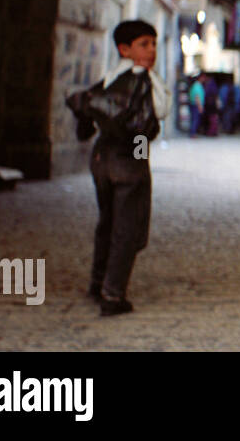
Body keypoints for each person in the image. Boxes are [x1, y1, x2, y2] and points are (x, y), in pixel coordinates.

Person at [66, 19, 170, 316]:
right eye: (143, 44)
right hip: (130, 157)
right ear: (125, 49)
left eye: (153, 43)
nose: (151, 50)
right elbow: (158, 114)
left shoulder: (108, 78)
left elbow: (87, 107)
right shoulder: (142, 79)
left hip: (102, 158)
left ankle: (98, 283)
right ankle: (113, 294)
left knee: (107, 221)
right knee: (128, 226)